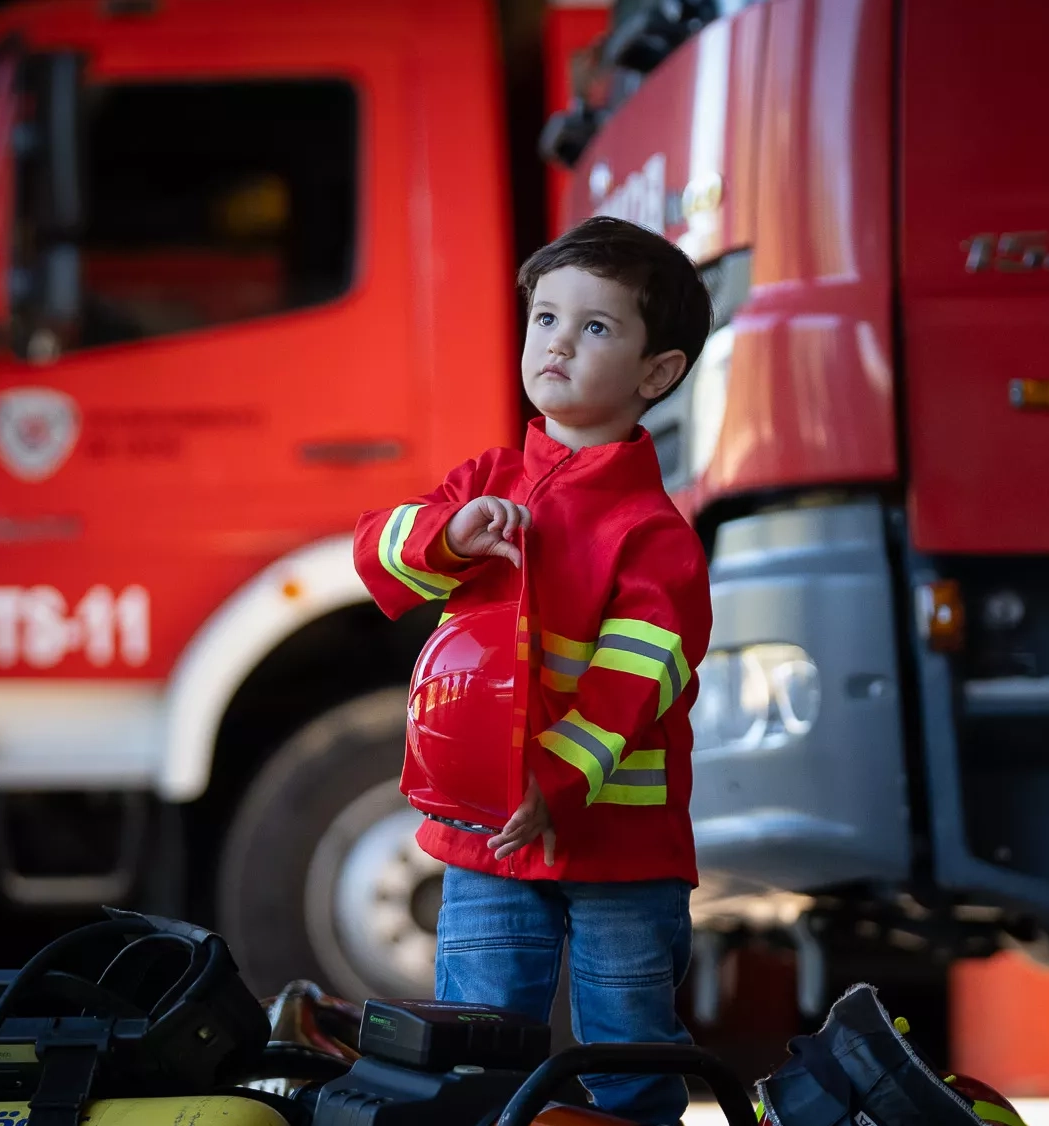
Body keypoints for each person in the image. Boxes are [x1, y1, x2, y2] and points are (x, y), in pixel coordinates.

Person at [352, 216, 714, 1125]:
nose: (557, 342)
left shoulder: (655, 535)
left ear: (656, 374)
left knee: (629, 1060)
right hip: (488, 842)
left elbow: (634, 685)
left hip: (618, 856)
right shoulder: (486, 481)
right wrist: (446, 532)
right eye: (545, 318)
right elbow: (378, 556)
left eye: (595, 328)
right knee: (478, 1051)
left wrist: (556, 780)